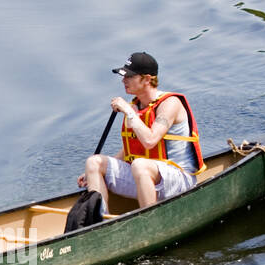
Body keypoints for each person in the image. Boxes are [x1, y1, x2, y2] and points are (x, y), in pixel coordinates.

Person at [79, 52, 204, 211]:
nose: (124, 80)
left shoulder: (170, 104)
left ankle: (149, 221)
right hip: (147, 175)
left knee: (139, 165)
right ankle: (98, 221)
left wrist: (129, 112)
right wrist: (94, 173)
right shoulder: (136, 106)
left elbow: (150, 141)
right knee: (94, 162)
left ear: (146, 79)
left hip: (179, 180)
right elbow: (131, 148)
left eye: (129, 76)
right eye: (123, 76)